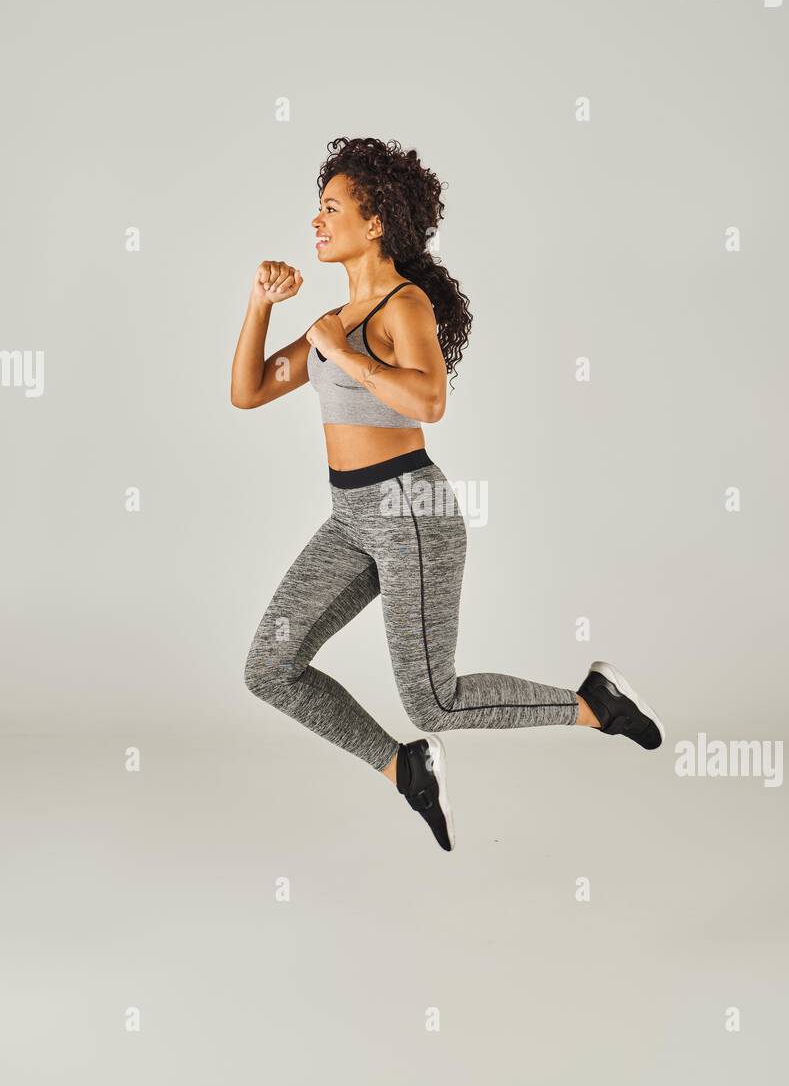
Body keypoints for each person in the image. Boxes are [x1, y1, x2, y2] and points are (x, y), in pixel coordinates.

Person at [231, 137, 664, 852]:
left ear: (374, 224)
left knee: (434, 697)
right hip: (350, 517)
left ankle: (594, 706)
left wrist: (339, 353)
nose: (316, 221)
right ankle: (403, 767)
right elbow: (246, 393)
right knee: (269, 668)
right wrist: (258, 306)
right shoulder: (333, 321)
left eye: (331, 208)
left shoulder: (404, 306)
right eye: (316, 209)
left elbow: (428, 400)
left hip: (410, 513)